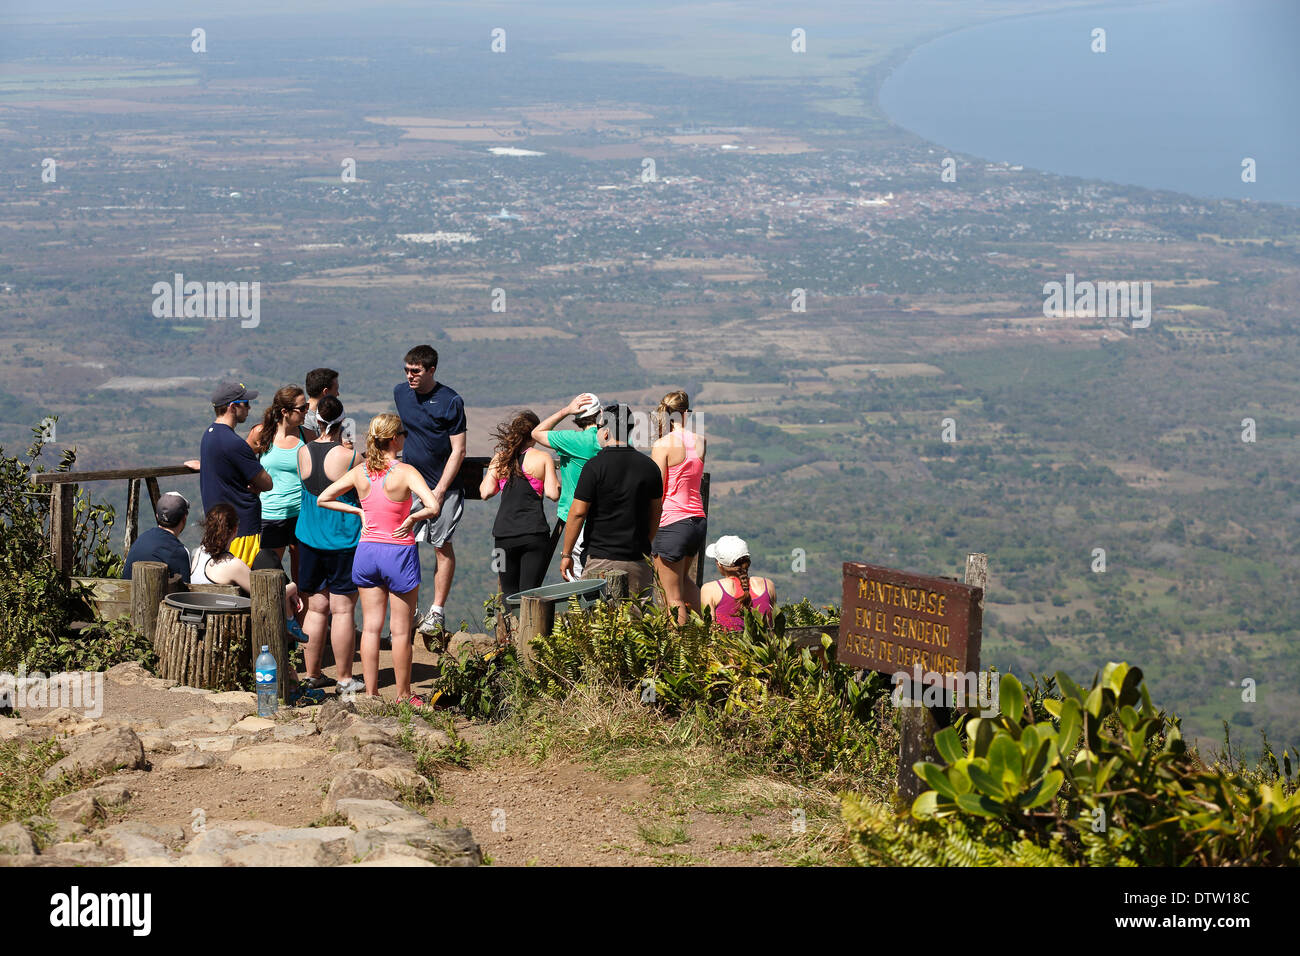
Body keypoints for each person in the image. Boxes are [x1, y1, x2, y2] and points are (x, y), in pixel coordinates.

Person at [318, 414, 440, 706]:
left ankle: (371, 694)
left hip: (367, 552)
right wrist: (412, 517)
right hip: (398, 553)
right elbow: (433, 506)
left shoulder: (361, 472)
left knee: (370, 626)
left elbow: (323, 497)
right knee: (399, 631)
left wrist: (360, 513)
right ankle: (403, 695)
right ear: (396, 438)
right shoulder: (407, 472)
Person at [394, 345, 466, 646]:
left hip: (443, 487)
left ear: (431, 370)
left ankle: (436, 610)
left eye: (416, 371)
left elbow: (459, 449)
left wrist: (439, 489)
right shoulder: (401, 393)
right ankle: (408, 609)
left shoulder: (450, 401)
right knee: (403, 542)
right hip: (410, 484)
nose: (410, 376)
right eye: (407, 370)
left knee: (441, 545)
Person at [295, 396, 363, 695]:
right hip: (343, 539)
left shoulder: (302, 452)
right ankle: (345, 679)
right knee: (343, 609)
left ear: (318, 421)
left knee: (315, 607)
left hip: (308, 536)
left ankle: (312, 674)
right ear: (342, 422)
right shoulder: (350, 458)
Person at [560, 403, 663, 598]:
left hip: (600, 558)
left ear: (606, 432)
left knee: (597, 621)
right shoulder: (649, 467)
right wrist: (644, 542)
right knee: (638, 623)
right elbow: (656, 511)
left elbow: (578, 512)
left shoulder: (594, 467)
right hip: (638, 561)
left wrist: (566, 554)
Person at [190, 502, 306, 639]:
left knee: (266, 559)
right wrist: (294, 588)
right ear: (235, 530)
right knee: (267, 558)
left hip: (203, 618)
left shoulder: (197, 553)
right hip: (229, 625)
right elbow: (270, 596)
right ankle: (290, 620)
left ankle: (290, 619)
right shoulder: (232, 565)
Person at [480, 410, 559, 602]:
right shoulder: (543, 457)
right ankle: (529, 631)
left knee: (507, 593)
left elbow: (485, 492)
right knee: (530, 594)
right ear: (534, 434)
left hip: (502, 536)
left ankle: (510, 631)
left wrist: (495, 467)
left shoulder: (501, 459)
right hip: (534, 534)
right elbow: (552, 494)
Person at [198, 382, 272, 567]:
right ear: (233, 407)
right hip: (242, 527)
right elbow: (267, 483)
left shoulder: (208, 435)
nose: (249, 408)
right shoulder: (234, 443)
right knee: (246, 583)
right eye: (246, 403)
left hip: (219, 524)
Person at [650, 390, 707, 624]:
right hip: (697, 520)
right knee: (684, 582)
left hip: (672, 522)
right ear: (686, 413)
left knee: (672, 597)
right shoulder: (700, 441)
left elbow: (657, 490)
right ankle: (707, 633)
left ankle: (679, 652)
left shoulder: (662, 445)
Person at [532, 393, 601, 577]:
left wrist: (566, 410)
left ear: (577, 418)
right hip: (606, 518)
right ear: (600, 413)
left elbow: (536, 433)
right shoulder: (610, 442)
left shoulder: (573, 440)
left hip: (577, 518)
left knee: (578, 576)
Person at [248, 386, 308, 566]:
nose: (307, 412)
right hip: (270, 514)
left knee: (303, 575)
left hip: (301, 513)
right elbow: (241, 459)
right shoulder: (262, 433)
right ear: (285, 412)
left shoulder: (307, 435)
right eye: (302, 408)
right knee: (269, 569)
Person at [701, 535, 775, 631]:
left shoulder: (710, 589)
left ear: (719, 564)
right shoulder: (768, 585)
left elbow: (710, 631)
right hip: (765, 645)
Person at [122, 492, 191, 583]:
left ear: (157, 516)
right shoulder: (178, 551)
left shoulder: (141, 539)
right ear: (184, 519)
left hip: (125, 596)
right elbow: (184, 593)